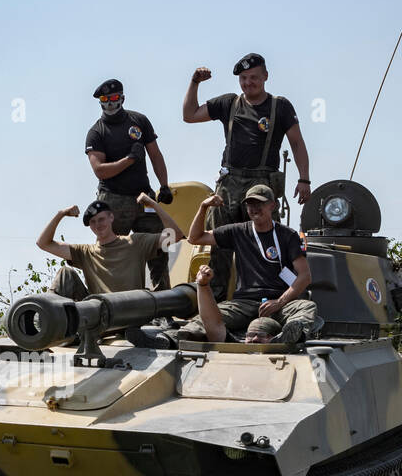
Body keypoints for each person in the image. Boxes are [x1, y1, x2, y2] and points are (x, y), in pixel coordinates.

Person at [182, 53, 311, 299]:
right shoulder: (229, 103)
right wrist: (194, 82)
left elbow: (296, 142)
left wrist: (304, 179)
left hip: (262, 185)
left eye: (253, 77)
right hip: (229, 185)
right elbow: (189, 115)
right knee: (219, 243)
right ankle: (217, 299)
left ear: (265, 77)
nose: (248, 83)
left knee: (265, 240)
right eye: (243, 78)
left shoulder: (280, 106)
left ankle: (271, 296)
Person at [175, 185, 318, 344]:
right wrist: (203, 207)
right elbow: (195, 238)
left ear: (273, 205)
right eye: (250, 204)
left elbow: (304, 276)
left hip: (279, 303)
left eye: (260, 203)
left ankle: (290, 336)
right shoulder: (238, 232)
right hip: (243, 303)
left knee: (307, 307)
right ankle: (177, 337)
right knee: (208, 316)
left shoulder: (288, 235)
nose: (254, 208)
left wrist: (279, 302)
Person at [38, 193, 182, 300]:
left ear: (111, 217)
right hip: (99, 313)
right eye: (93, 222)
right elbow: (43, 243)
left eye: (101, 219)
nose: (98, 225)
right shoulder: (86, 253)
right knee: (65, 274)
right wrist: (60, 214)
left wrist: (153, 204)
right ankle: (45, 318)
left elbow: (175, 235)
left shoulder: (136, 242)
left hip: (132, 310)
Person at [85, 78, 173, 235]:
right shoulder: (96, 132)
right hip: (114, 199)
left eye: (113, 98)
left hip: (144, 196)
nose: (109, 103)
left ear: (122, 98)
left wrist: (164, 185)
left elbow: (156, 155)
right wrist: (129, 160)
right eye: (105, 99)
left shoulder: (139, 120)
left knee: (159, 246)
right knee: (114, 251)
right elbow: (99, 170)